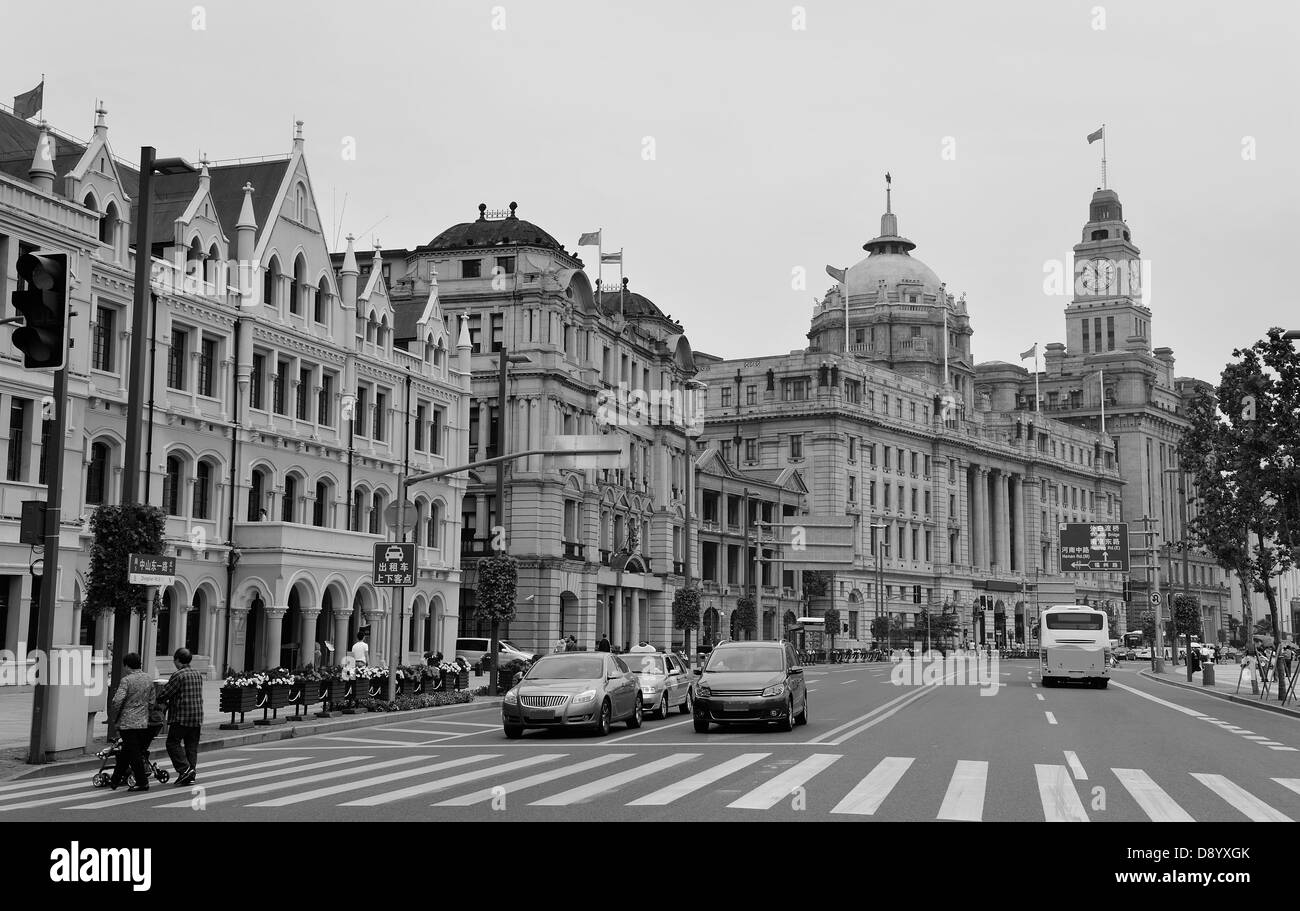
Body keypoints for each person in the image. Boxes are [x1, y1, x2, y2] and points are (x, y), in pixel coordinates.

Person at [155, 648, 204, 786]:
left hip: (182, 716)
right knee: (191, 746)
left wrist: (158, 701)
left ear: (177, 660)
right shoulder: (197, 674)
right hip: (197, 715)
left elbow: (165, 693)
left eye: (174, 660)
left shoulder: (179, 675)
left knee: (172, 743)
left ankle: (185, 769)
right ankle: (190, 774)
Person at [108, 653, 154, 791]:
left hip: (127, 723)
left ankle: (142, 782)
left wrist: (114, 717)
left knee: (133, 754)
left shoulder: (126, 681)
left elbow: (117, 701)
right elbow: (152, 701)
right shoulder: (148, 678)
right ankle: (115, 780)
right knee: (128, 752)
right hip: (142, 722)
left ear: (127, 665)